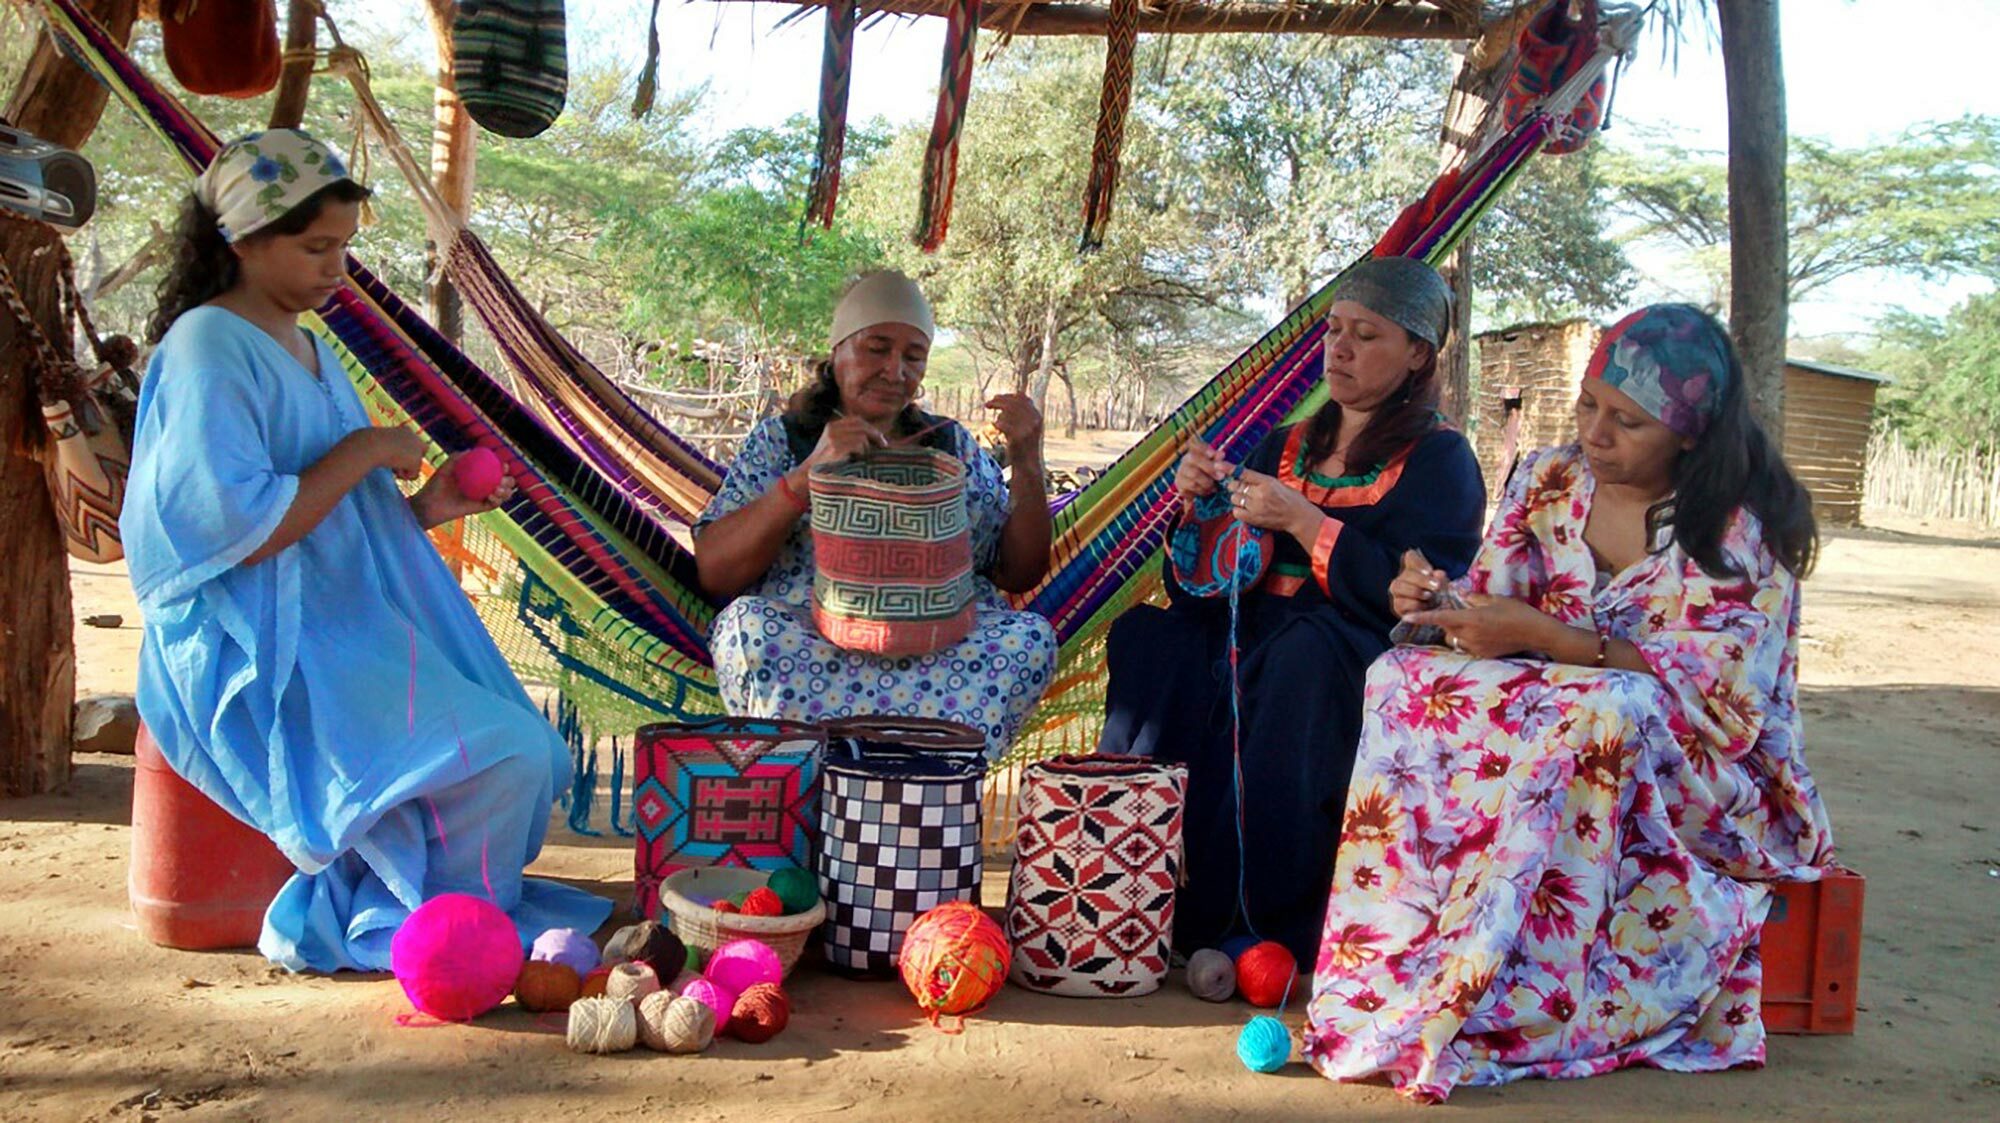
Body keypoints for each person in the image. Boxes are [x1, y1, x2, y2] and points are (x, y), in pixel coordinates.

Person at [1303, 304, 1835, 1102]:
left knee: (1607, 707)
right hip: (1559, 720)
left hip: (1710, 776)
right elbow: (1492, 606)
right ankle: (1398, 952)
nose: (1597, 432)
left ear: (1689, 435)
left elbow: (1721, 708)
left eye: (1629, 421)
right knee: (1399, 679)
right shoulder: (1548, 481)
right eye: (1590, 405)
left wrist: (1549, 638)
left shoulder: (1737, 534)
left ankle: (1523, 992)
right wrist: (1438, 603)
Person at [122, 130, 611, 973]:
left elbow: (340, 527)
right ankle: (420, 921)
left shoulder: (308, 349)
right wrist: (365, 451)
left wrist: (426, 507)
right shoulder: (206, 344)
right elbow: (227, 528)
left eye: (344, 246)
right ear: (242, 240)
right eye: (317, 248)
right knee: (509, 752)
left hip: (343, 628)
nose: (336, 269)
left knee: (529, 750)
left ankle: (449, 915)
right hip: (262, 643)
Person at [1096, 257, 1486, 963]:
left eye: (1366, 335)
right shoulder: (1286, 443)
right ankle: (1126, 884)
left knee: (1301, 652)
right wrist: (1200, 506)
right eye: (1334, 330)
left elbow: (1415, 599)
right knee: (1151, 638)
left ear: (1419, 353)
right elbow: (1207, 590)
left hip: (1344, 657)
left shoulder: (1441, 461)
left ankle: (1256, 917)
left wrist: (1308, 523)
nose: (1339, 348)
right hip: (1255, 638)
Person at [695, 271, 1057, 758]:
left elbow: (1019, 573)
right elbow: (716, 573)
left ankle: (932, 781)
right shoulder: (782, 441)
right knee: (750, 627)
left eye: (913, 356)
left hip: (942, 653)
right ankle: (811, 780)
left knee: (1028, 638)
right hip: (810, 646)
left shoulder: (953, 447)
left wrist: (1028, 459)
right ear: (837, 351)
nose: (895, 370)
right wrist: (806, 476)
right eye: (876, 348)